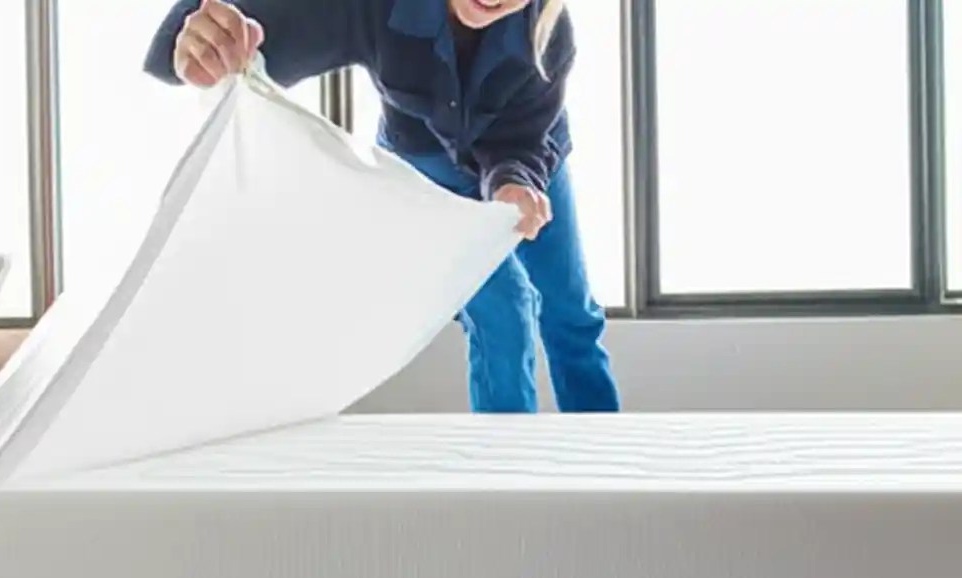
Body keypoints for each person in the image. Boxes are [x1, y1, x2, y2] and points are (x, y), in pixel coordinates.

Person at [144, 0, 620, 414]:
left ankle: (609, 467)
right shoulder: (374, 5)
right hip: (426, 163)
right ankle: (507, 476)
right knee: (502, 313)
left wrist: (514, 184)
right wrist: (199, 43)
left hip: (531, 158)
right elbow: (250, 24)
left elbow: (522, 138)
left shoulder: (551, 31)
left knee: (570, 315)